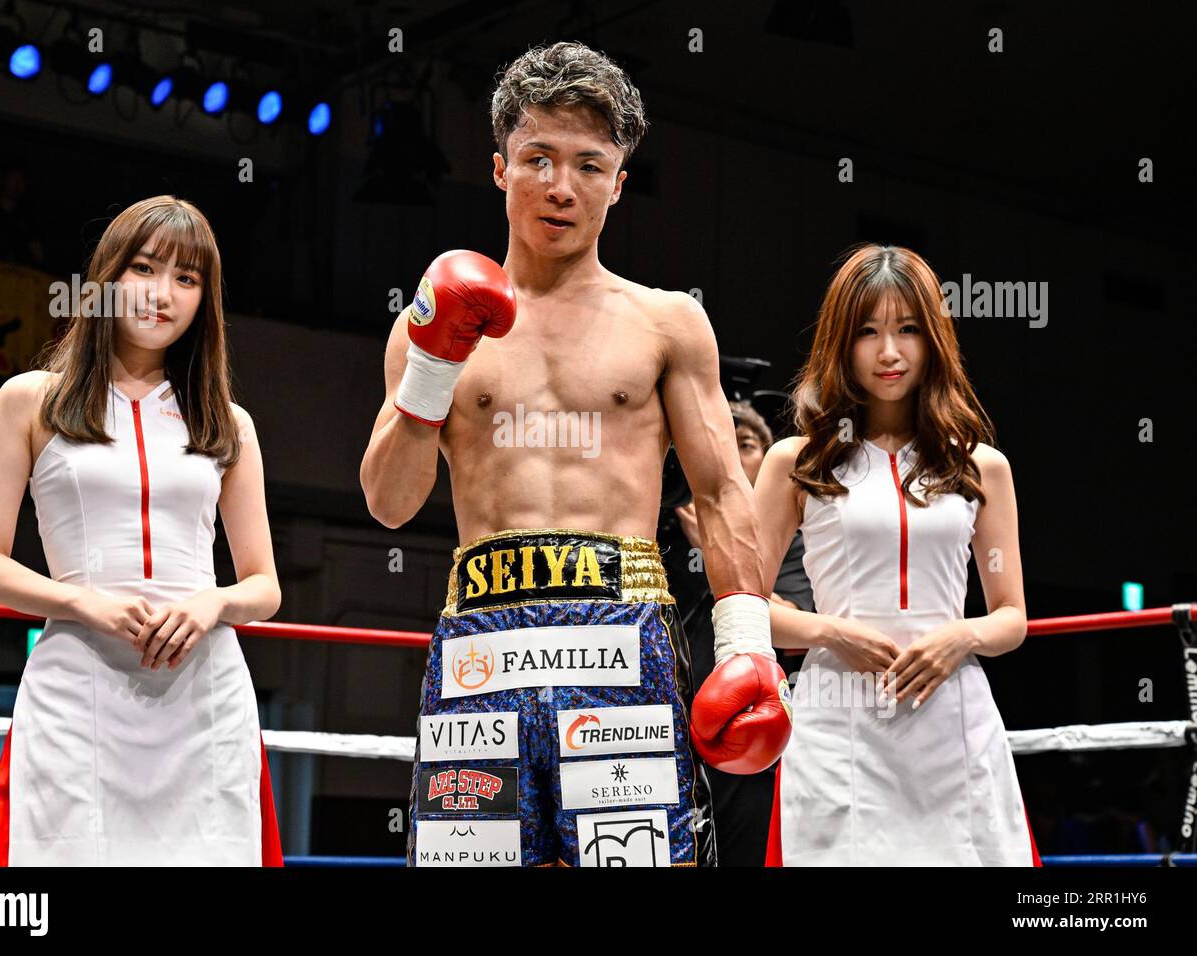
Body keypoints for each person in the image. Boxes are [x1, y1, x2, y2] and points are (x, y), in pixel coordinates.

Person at [361, 42, 791, 867]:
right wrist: (433, 367)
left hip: (621, 637)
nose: (561, 186)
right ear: (499, 169)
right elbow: (389, 502)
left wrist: (746, 647)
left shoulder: (667, 323)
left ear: (618, 182)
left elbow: (721, 494)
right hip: (483, 646)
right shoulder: (430, 323)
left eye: (589, 165)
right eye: (538, 159)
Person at [0, 196, 284, 866]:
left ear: (204, 301)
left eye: (186, 279)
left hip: (204, 692)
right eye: (144, 268)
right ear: (108, 275)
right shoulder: (30, 400)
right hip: (77, 687)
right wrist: (84, 602)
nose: (162, 294)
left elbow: (264, 585)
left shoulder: (230, 422)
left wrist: (212, 603)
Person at [754, 243, 1041, 865]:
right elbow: (743, 607)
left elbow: (1012, 616)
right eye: (868, 332)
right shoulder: (795, 462)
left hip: (953, 720)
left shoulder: (983, 467)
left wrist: (961, 637)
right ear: (840, 341)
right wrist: (831, 632)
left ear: (933, 339)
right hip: (838, 723)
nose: (889, 352)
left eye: (908, 329)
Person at [662, 400, 814, 865]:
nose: (726, 454)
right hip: (663, 725)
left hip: (747, 726)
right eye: (721, 442)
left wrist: (718, 554)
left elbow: (793, 623)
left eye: (744, 445)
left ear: (767, 457)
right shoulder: (655, 531)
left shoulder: (791, 536)